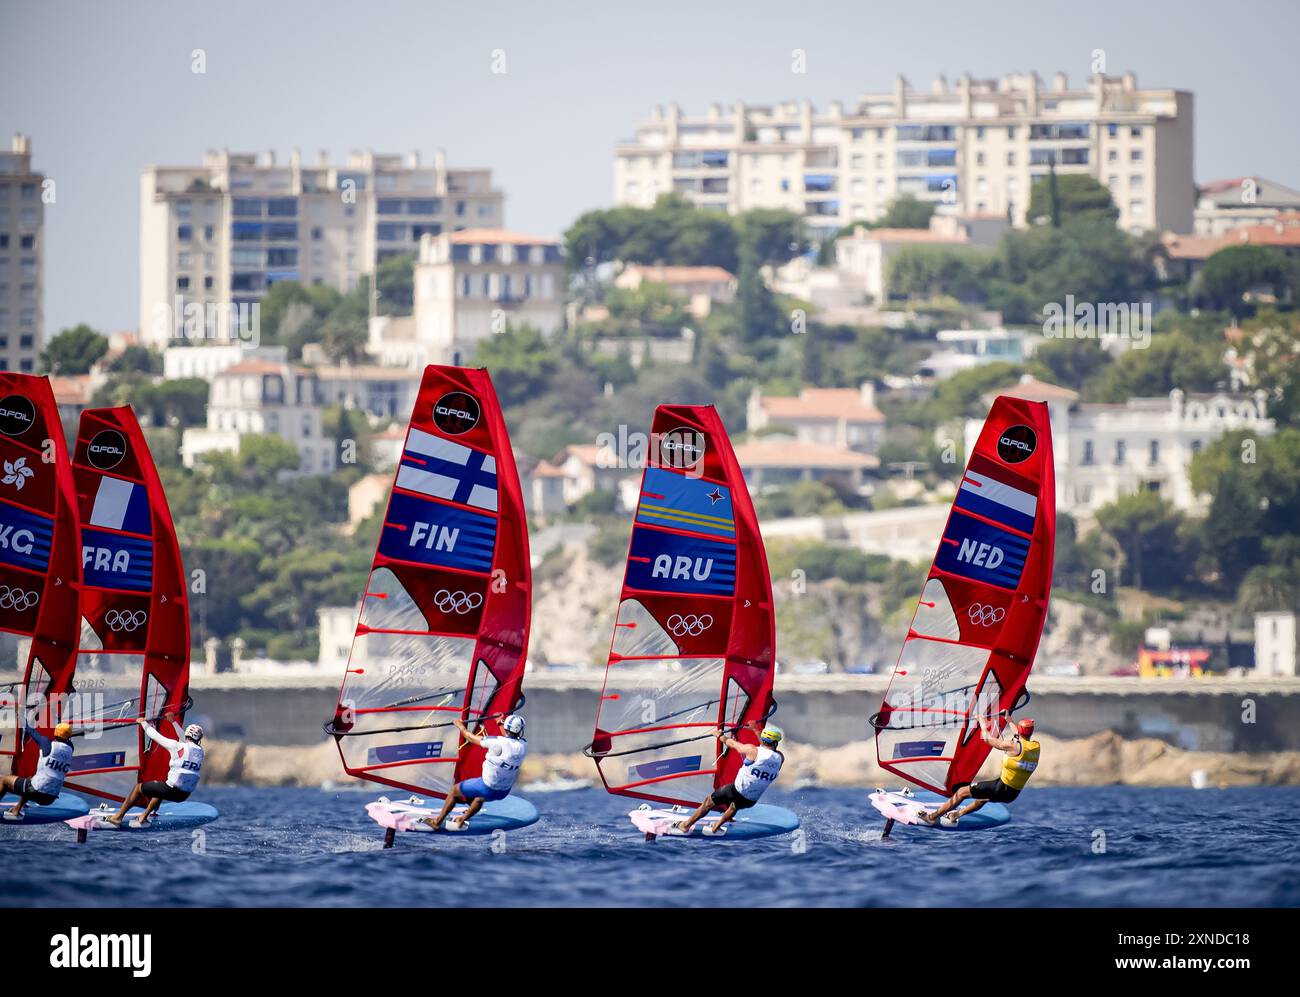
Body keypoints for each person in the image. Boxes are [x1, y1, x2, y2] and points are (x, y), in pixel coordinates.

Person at [919, 717, 1040, 825]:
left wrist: (981, 721)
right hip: (1012, 794)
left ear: (1019, 731)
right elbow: (1017, 734)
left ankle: (931, 817)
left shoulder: (1012, 746)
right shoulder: (1035, 747)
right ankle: (956, 815)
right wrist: (1008, 719)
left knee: (962, 792)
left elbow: (987, 739)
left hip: (1000, 787)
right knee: (983, 798)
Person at [422, 713, 528, 832]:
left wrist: (460, 726)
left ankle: (437, 822)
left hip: (487, 787)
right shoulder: (524, 745)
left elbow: (471, 738)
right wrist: (499, 722)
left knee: (454, 791)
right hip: (504, 791)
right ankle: (462, 819)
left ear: (507, 728)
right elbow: (508, 739)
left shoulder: (496, 743)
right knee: (479, 798)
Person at [676, 723, 785, 836]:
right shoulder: (780, 758)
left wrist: (718, 735)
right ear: (776, 742)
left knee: (709, 802)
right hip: (751, 801)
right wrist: (756, 731)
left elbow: (732, 744)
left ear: (763, 739)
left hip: (736, 791)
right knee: (735, 805)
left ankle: (685, 825)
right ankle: (718, 824)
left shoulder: (752, 750)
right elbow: (767, 751)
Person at [107, 713, 204, 827]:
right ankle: (143, 816)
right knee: (161, 788)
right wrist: (173, 722)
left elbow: (155, 735)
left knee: (138, 788)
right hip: (184, 795)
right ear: (199, 739)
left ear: (187, 735)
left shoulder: (176, 746)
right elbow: (185, 739)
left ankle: (117, 817)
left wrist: (143, 723)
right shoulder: (200, 751)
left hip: (171, 790)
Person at [0, 714, 74, 819]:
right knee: (30, 780)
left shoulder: (46, 743)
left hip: (35, 791)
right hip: (50, 799)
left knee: (3, 780)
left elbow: (31, 731)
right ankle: (17, 809)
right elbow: (66, 739)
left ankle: (17, 809)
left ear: (55, 733)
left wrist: (20, 716)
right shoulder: (71, 748)